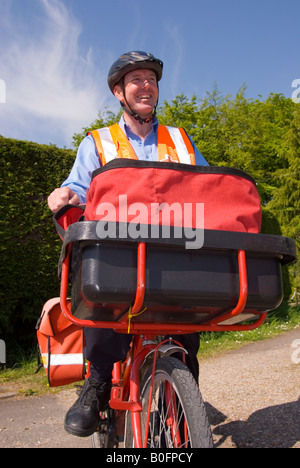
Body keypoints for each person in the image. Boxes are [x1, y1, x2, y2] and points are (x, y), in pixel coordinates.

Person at [48, 51, 209, 438]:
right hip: (118, 252)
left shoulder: (180, 139)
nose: (145, 85)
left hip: (172, 251)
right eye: (135, 79)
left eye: (151, 79)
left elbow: (208, 187)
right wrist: (65, 195)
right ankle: (98, 382)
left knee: (186, 332)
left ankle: (183, 398)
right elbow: (77, 188)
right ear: (119, 92)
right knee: (101, 295)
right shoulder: (98, 141)